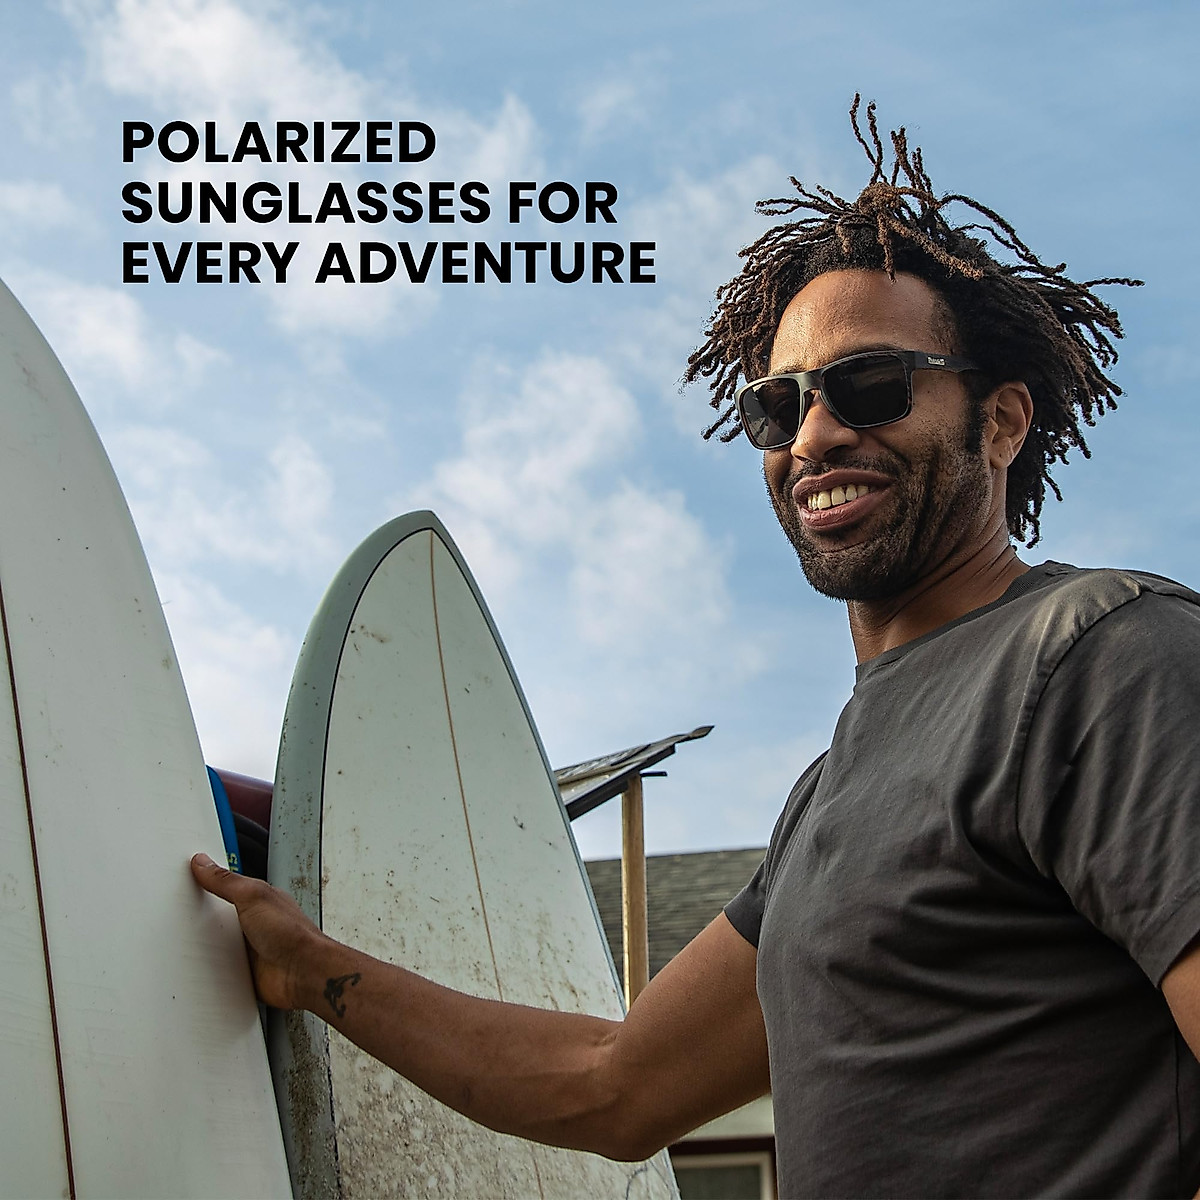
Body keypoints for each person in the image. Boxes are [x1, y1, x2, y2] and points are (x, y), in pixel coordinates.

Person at [193, 99, 1200, 1197]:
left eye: (872, 385)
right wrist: (312, 971)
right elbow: (613, 1085)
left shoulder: (1106, 660)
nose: (817, 435)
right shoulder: (832, 792)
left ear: (1000, 422)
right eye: (779, 408)